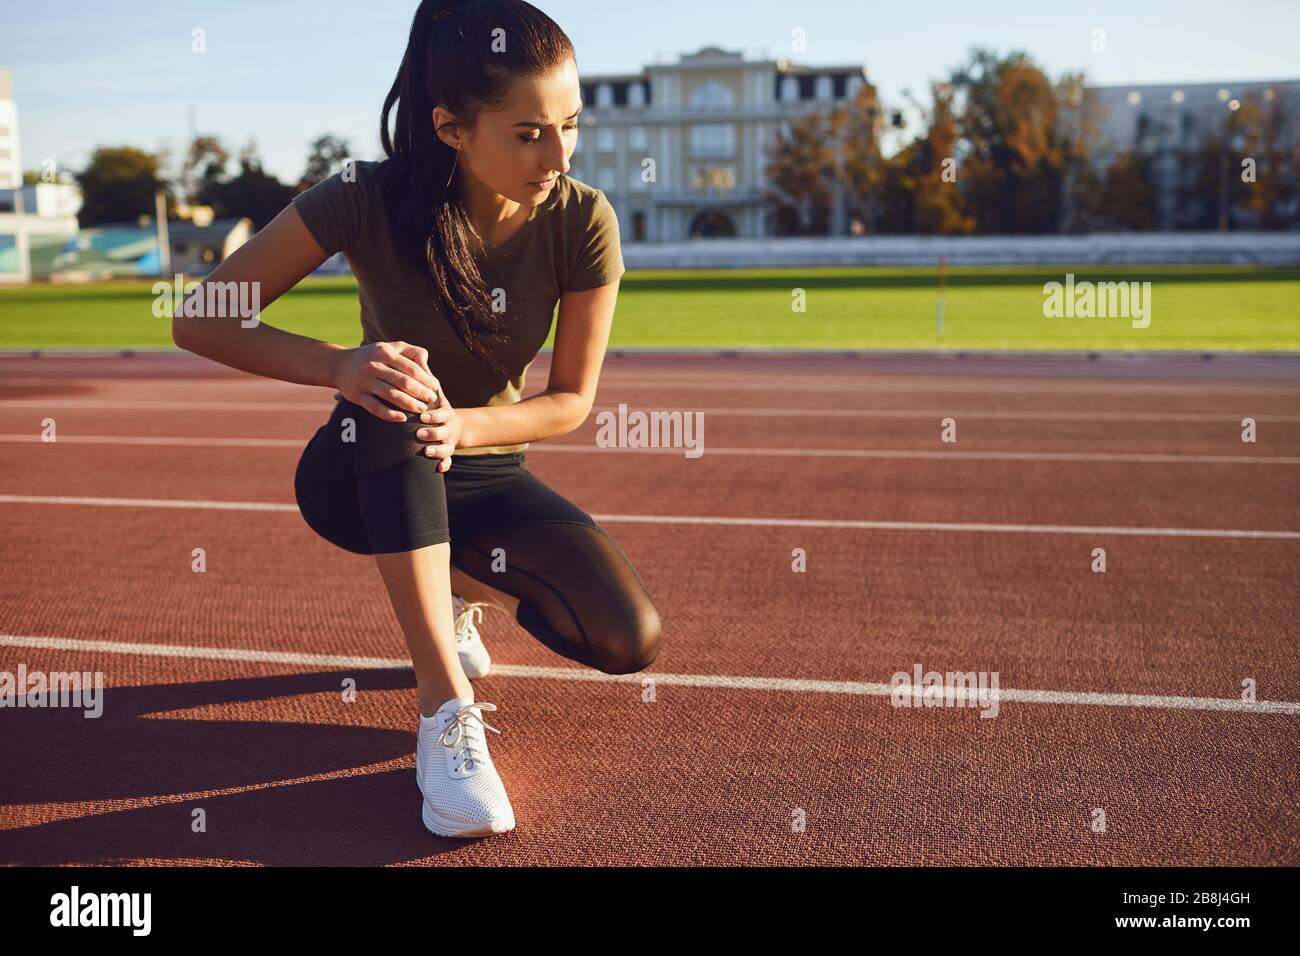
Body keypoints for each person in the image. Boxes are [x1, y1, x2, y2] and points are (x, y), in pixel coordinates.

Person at [171, 0, 662, 839]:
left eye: (569, 125)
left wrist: (466, 429)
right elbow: (203, 315)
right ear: (450, 128)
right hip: (363, 465)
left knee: (626, 637)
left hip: (478, 460)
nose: (558, 154)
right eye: (528, 133)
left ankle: (459, 587)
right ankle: (444, 711)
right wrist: (338, 364)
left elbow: (572, 399)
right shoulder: (363, 196)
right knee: (400, 382)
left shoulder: (583, 219)